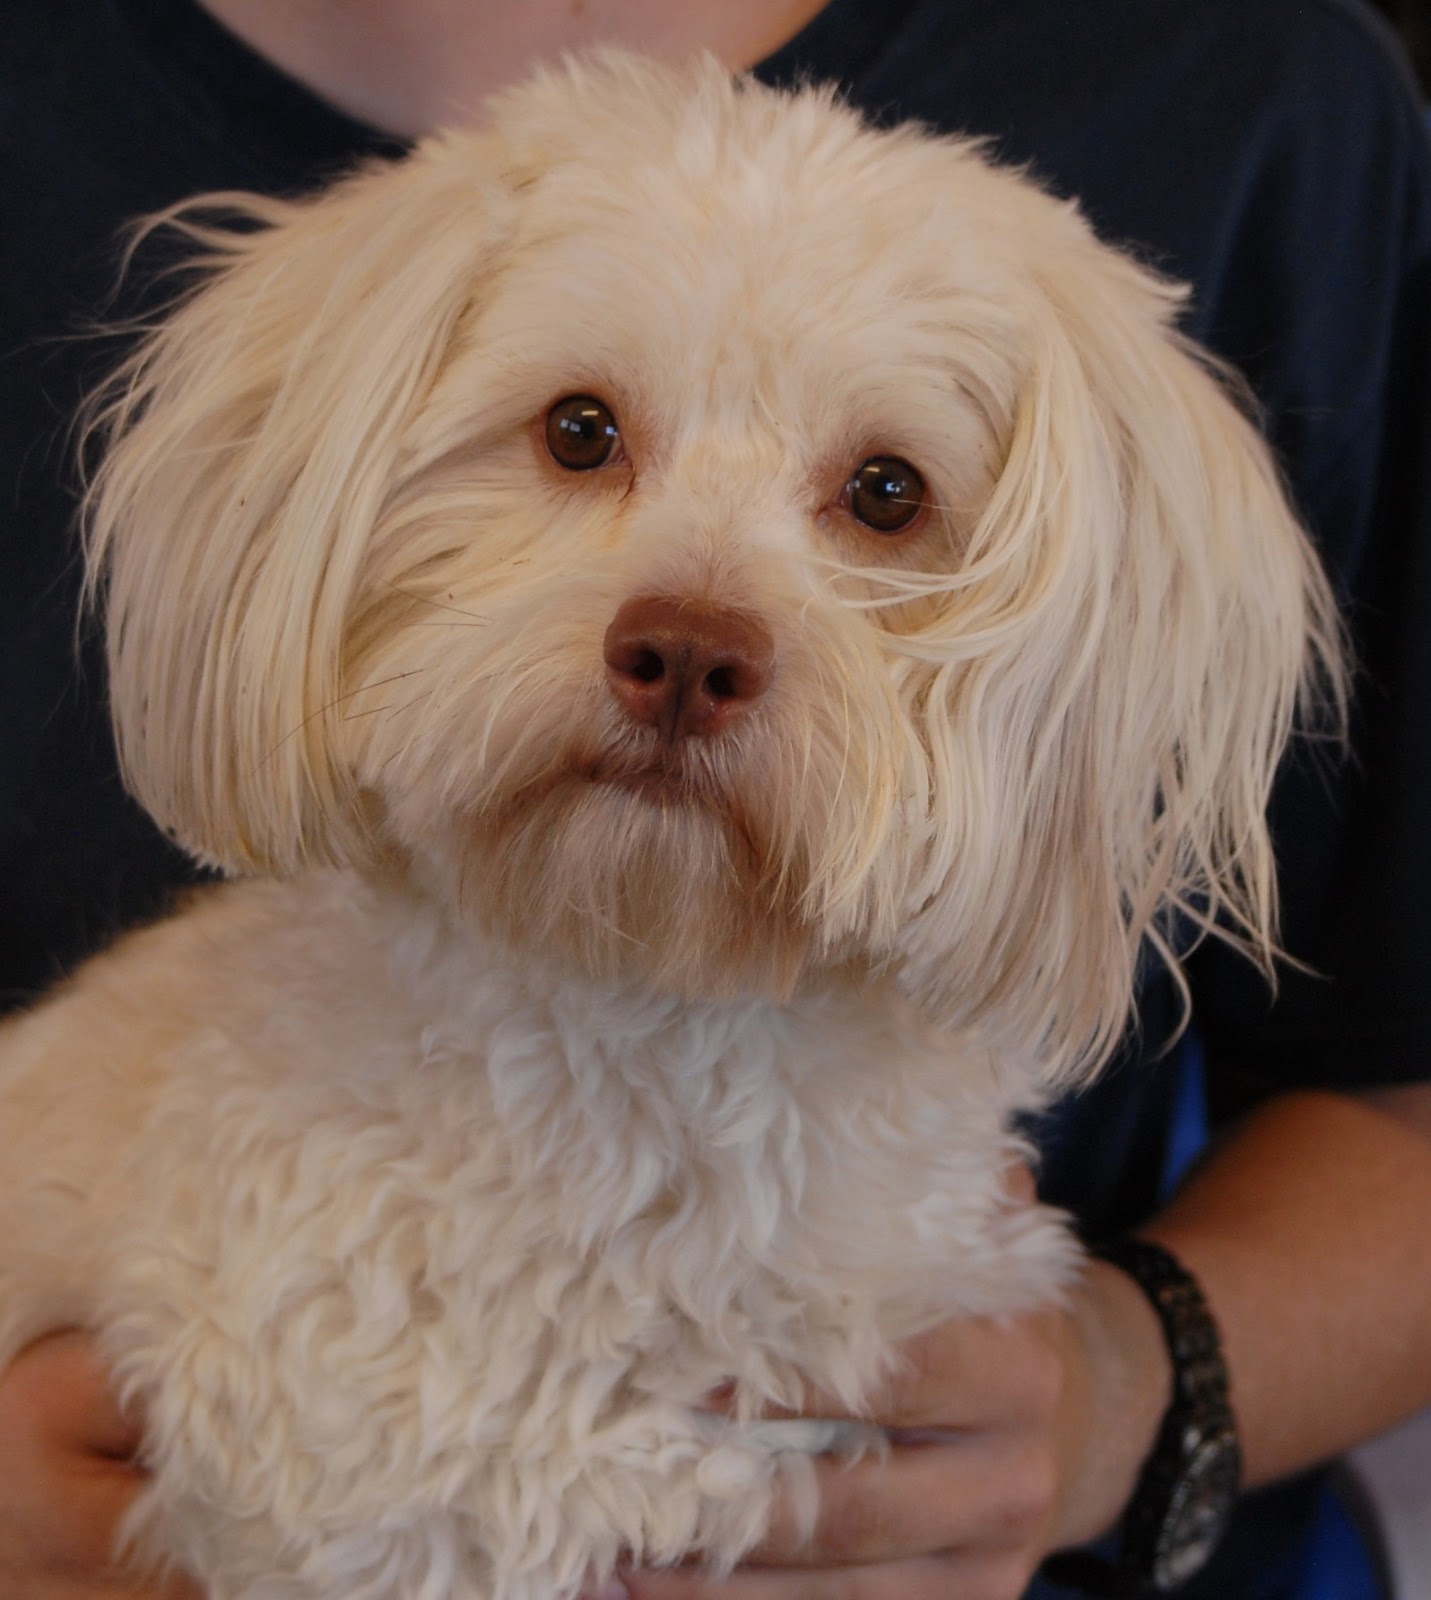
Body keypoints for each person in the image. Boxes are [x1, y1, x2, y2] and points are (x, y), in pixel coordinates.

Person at [2, 1, 1429, 1597]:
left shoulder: (1261, 85)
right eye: (583, 437)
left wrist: (1116, 1397)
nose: (692, 620)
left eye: (881, 501)